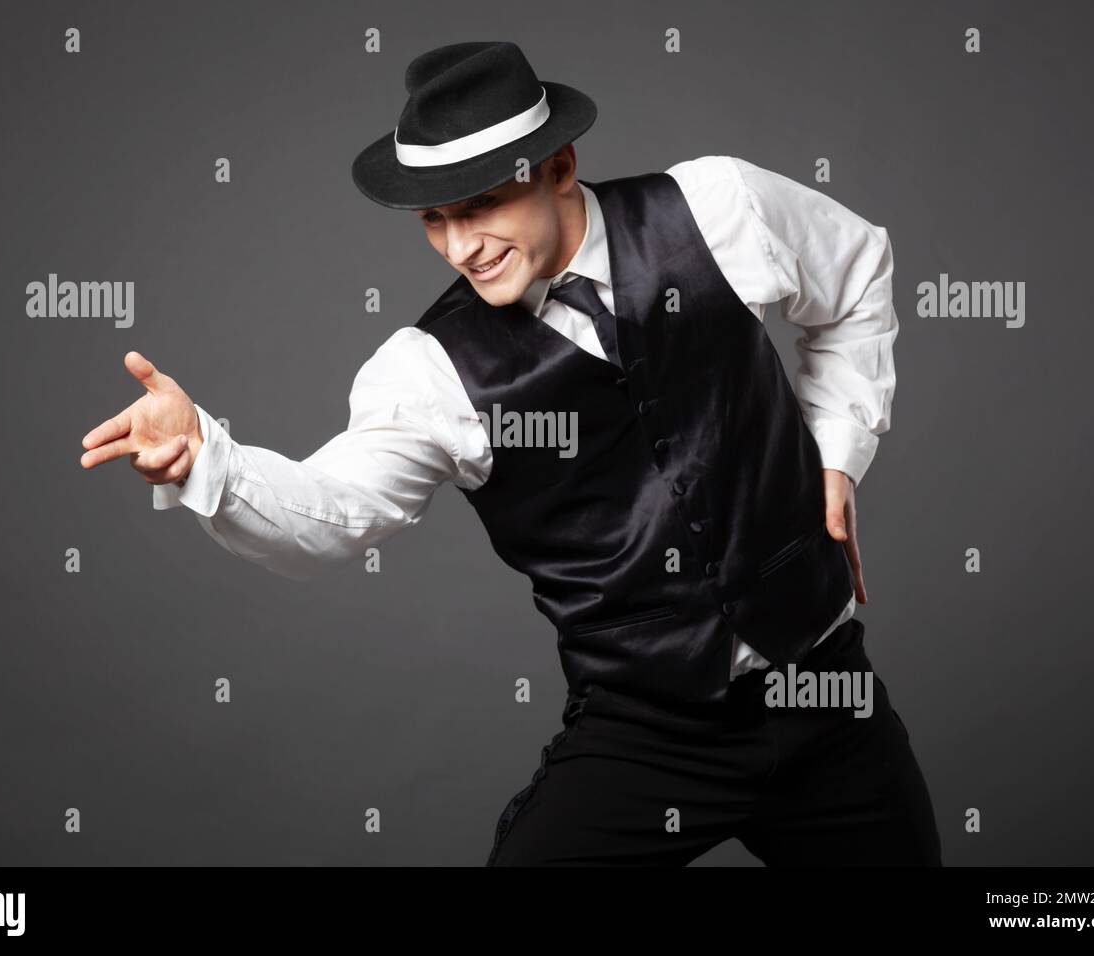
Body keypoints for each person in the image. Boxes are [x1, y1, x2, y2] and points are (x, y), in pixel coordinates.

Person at [80, 40, 942, 866]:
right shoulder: (429, 372)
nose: (461, 247)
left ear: (559, 169)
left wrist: (839, 450)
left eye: (482, 206)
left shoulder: (719, 210)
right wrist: (206, 460)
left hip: (827, 694)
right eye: (435, 220)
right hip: (649, 730)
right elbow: (331, 515)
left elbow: (857, 273)